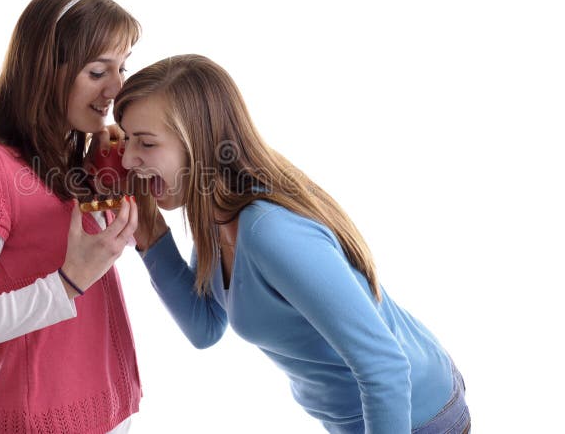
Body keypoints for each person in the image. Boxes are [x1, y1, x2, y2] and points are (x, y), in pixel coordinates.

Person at [114, 54, 470, 434]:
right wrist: (148, 228)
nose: (128, 158)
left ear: (199, 146)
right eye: (127, 139)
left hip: (418, 416)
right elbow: (204, 328)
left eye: (146, 143)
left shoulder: (269, 231)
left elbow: (384, 366)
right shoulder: (216, 219)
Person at [0, 0, 141, 434]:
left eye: (122, 68)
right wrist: (68, 282)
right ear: (46, 70)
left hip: (110, 413)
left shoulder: (69, 158)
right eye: (98, 72)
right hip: (37, 421)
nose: (118, 88)